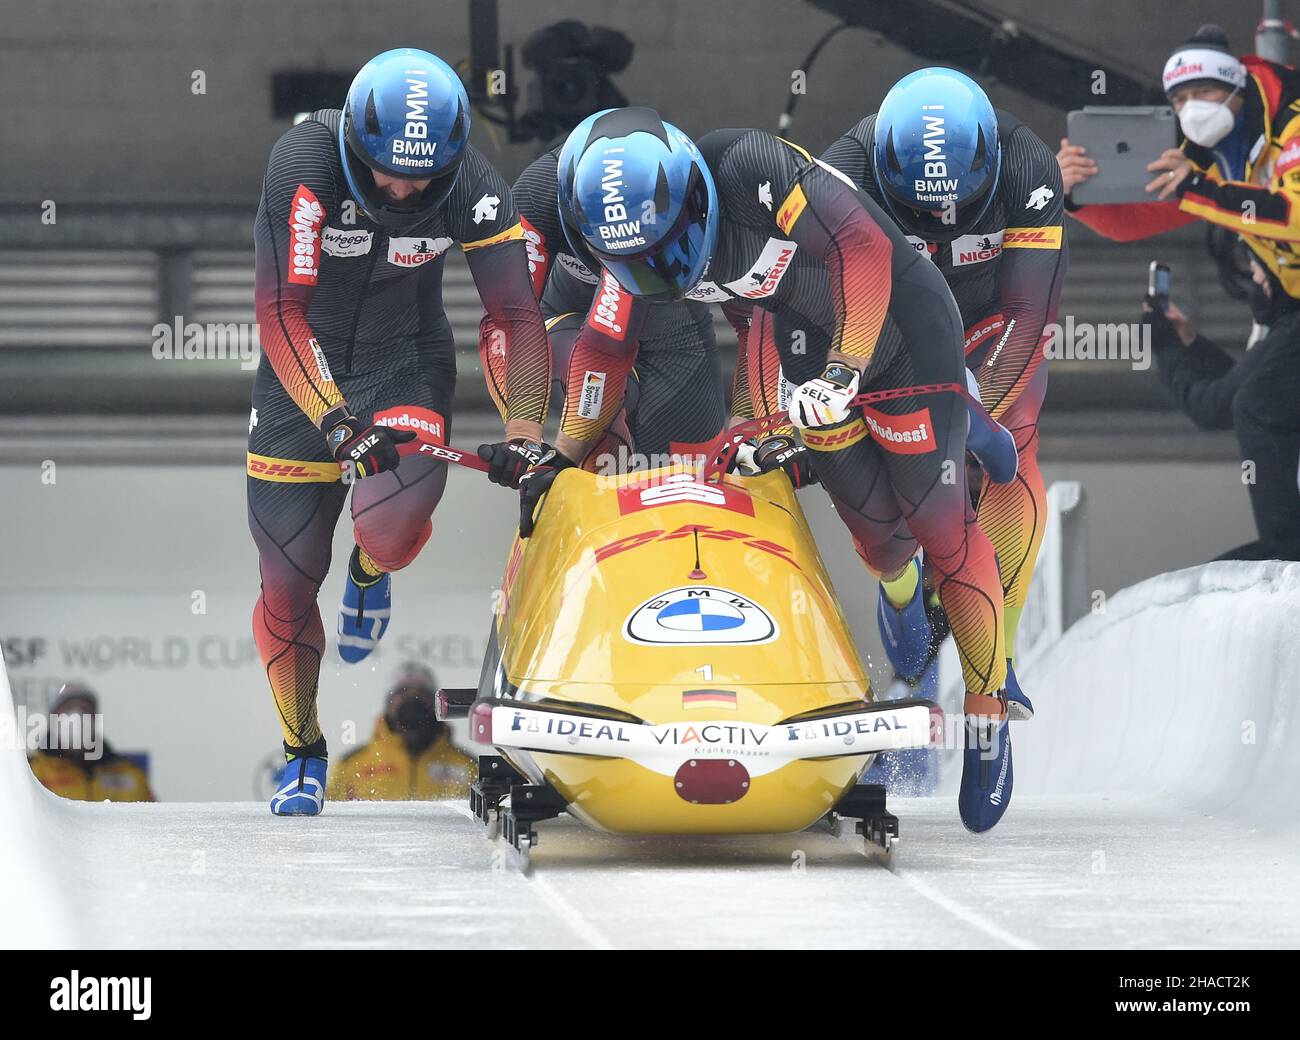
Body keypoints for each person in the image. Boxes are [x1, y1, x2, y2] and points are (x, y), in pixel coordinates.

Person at [524, 106, 1016, 832]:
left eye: (668, 247)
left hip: (902, 332)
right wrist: (562, 454)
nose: (659, 272)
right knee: (882, 540)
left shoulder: (752, 166)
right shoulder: (632, 252)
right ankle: (957, 432)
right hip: (806, 348)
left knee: (939, 526)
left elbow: (862, 250)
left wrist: (847, 371)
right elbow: (603, 351)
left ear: (691, 195)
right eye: (637, 263)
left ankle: (988, 714)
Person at [251, 48, 551, 816]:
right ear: (355, 140)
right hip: (300, 378)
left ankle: (371, 569)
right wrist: (331, 417)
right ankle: (303, 750)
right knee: (287, 587)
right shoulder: (305, 163)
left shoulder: (474, 187)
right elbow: (282, 313)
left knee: (390, 526)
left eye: (421, 176)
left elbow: (516, 315)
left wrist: (523, 427)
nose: (402, 188)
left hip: (402, 366)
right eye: (385, 169)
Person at [821, 67, 1067, 717]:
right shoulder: (838, 174)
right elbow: (823, 307)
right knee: (908, 500)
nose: (941, 217)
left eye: (957, 204)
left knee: (1013, 450)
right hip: (893, 343)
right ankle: (904, 588)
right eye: (922, 208)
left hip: (990, 329)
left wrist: (974, 415)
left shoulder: (1030, 169)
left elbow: (1029, 313)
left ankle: (1000, 663)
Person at [478, 140, 730, 473]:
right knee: (601, 435)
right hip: (575, 327)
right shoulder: (539, 194)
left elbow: (762, 314)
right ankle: (595, 467)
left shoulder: (701, 193)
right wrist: (523, 436)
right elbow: (508, 319)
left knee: (699, 481)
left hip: (677, 339)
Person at [1058, 23, 1300, 305]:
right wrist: (1072, 194)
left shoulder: (1292, 120)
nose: (1193, 108)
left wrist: (1198, 188)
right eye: (1181, 99)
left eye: (1205, 91)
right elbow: (1136, 219)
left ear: (1238, 87)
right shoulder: (1204, 156)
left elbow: (1295, 216)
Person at [1145, 258, 1300, 560]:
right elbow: (1246, 391)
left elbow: (1214, 406)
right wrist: (1190, 344)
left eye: (1257, 270)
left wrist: (1167, 348)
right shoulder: (1287, 334)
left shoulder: (1292, 331)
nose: (1253, 279)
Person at [326, 665, 475, 801]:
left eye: (421, 693)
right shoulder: (350, 764)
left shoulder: (468, 765)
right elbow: (332, 822)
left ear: (437, 704)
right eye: (403, 693)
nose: (413, 700)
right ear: (389, 702)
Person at [27, 684, 154, 802]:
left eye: (85, 710)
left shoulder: (128, 773)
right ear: (53, 718)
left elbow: (152, 821)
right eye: (67, 709)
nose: (77, 717)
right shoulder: (31, 772)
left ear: (95, 719)